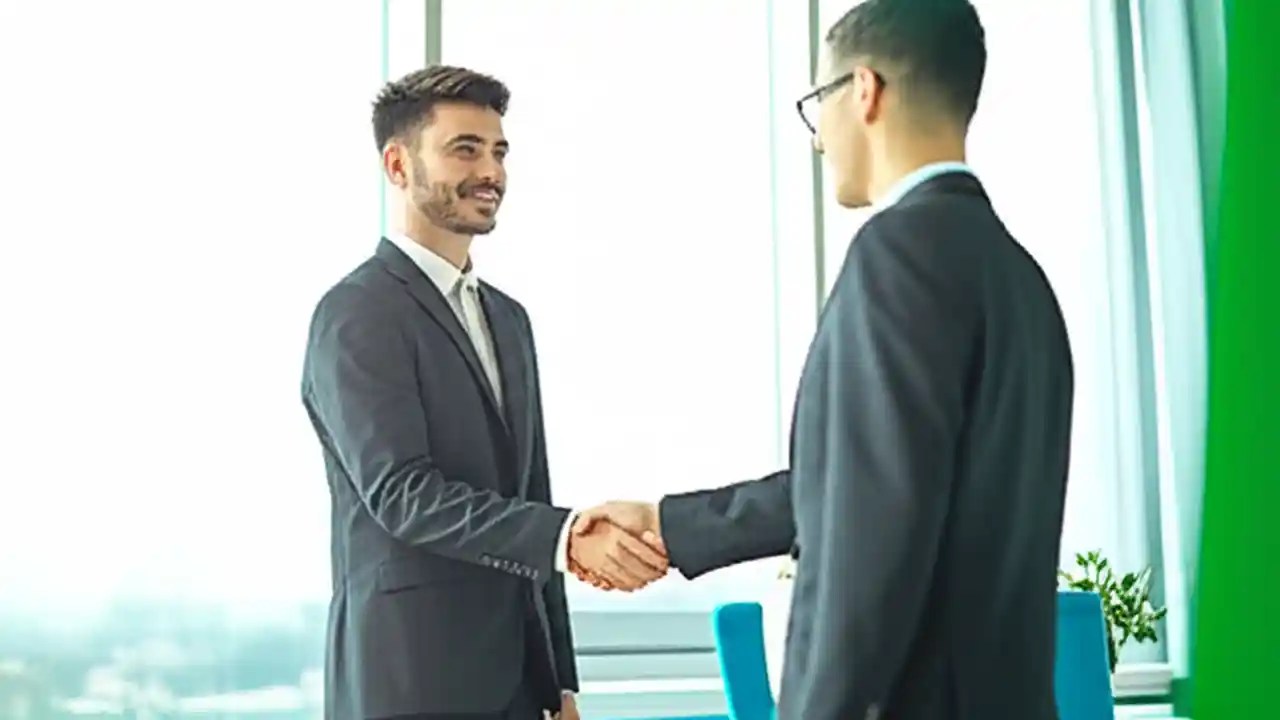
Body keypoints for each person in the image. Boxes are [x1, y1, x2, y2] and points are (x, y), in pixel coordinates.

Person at [574, 2, 1075, 718]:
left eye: (819, 103)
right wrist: (669, 521)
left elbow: (869, 547)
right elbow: (870, 481)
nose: (818, 141)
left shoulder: (898, 255)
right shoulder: (1021, 279)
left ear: (864, 90)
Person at [300, 65, 667, 720]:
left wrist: (560, 682)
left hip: (520, 687)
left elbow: (533, 492)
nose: (491, 171)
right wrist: (567, 537)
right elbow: (402, 493)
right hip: (409, 681)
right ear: (398, 165)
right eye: (465, 150)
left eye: (499, 151)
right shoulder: (357, 312)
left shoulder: (508, 318)